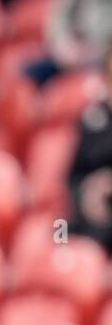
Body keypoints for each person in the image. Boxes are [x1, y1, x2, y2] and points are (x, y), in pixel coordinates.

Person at [68, 47, 112, 252]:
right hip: (93, 216)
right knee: (59, 230)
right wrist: (87, 192)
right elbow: (73, 175)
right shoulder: (93, 119)